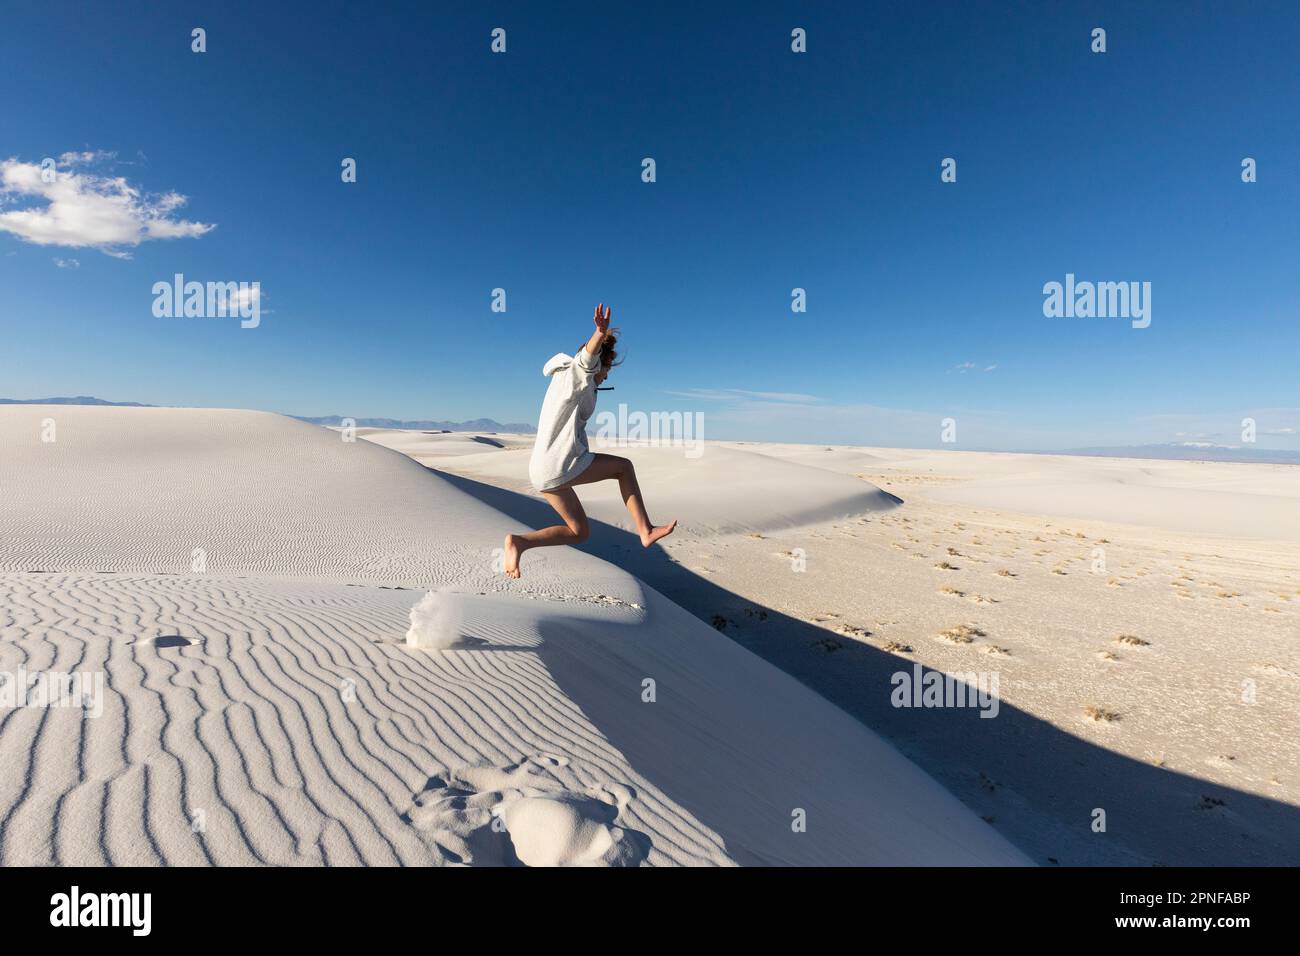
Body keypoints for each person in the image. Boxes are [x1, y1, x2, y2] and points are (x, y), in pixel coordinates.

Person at [503, 303, 676, 578]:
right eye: (607, 369)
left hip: (542, 471)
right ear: (601, 365)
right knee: (624, 467)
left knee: (579, 531)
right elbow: (586, 360)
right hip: (560, 464)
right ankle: (646, 530)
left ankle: (520, 542)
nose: (607, 375)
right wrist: (599, 333)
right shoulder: (576, 374)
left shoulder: (563, 379)